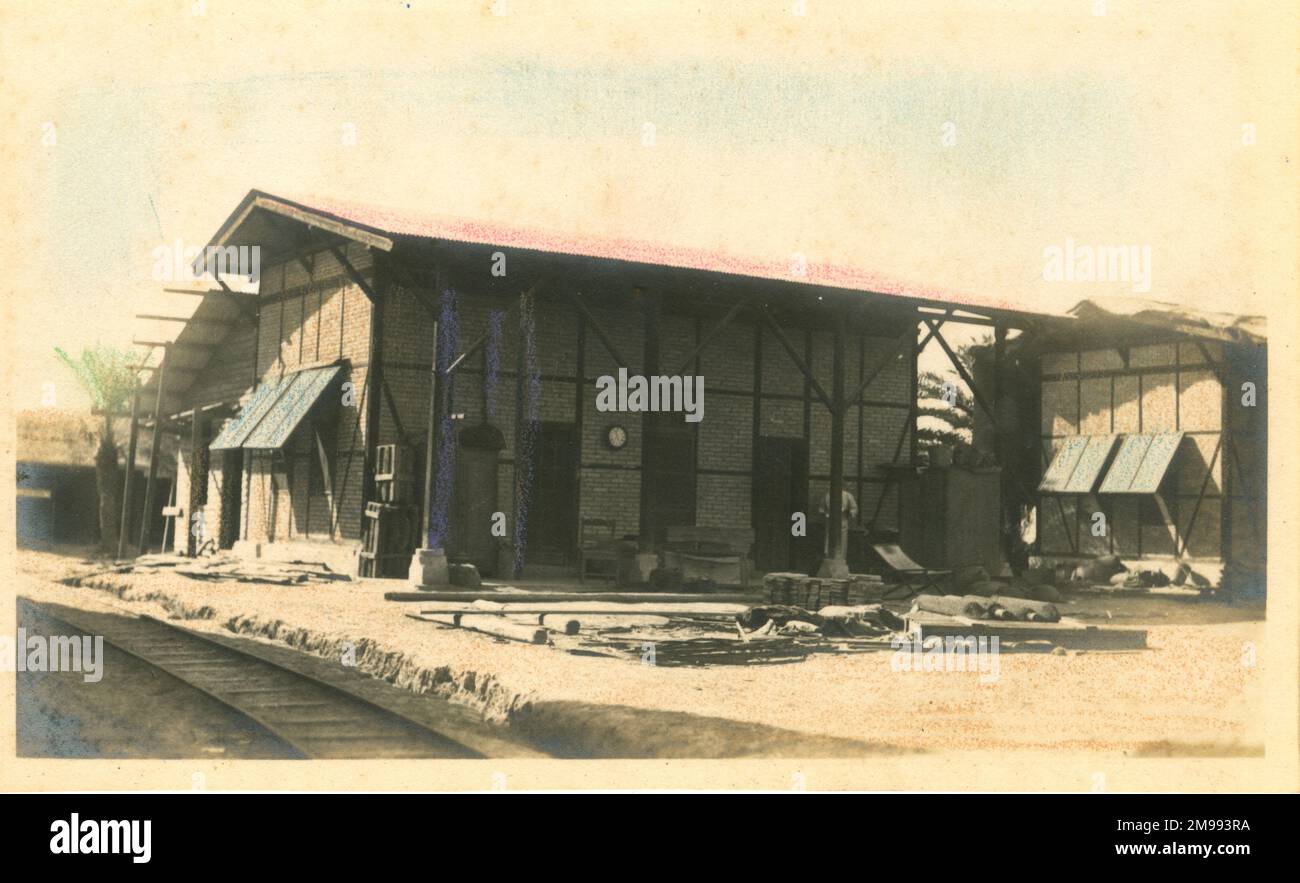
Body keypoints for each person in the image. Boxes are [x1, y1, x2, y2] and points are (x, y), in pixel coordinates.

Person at [817, 488, 858, 557]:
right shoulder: (827, 496)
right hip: (830, 522)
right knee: (829, 541)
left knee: (842, 542)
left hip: (842, 522)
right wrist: (825, 514)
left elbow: (854, 509)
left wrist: (849, 513)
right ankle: (828, 557)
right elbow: (821, 509)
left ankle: (842, 558)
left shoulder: (848, 496)